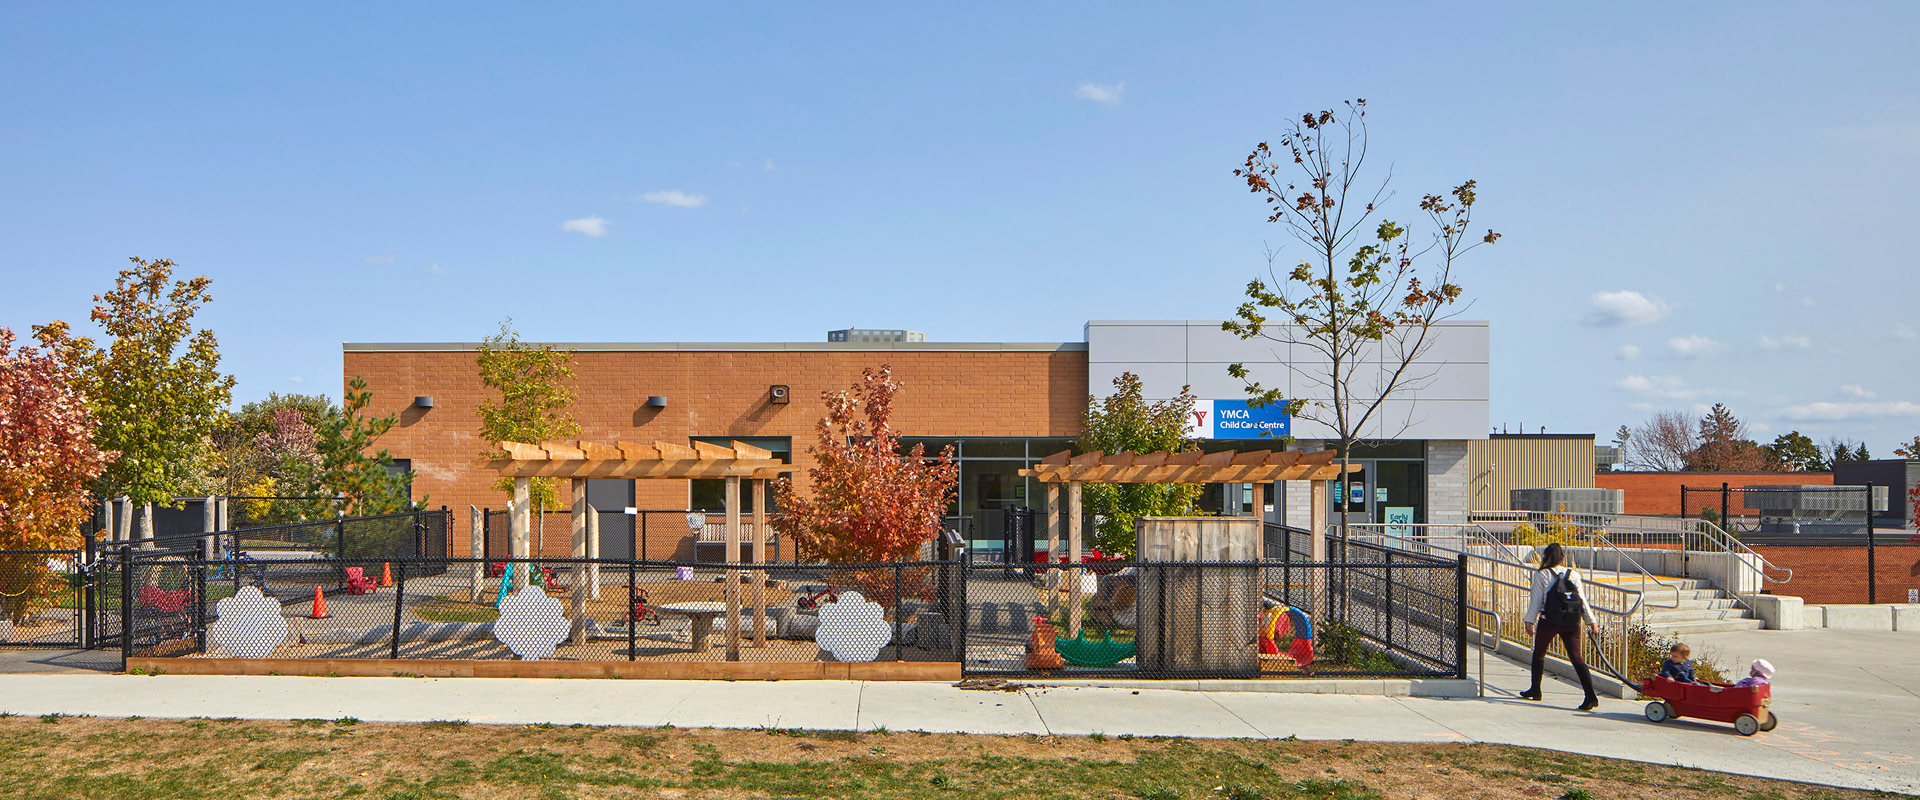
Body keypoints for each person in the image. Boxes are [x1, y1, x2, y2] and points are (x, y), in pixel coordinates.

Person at [1520, 542, 1601, 711]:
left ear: (1546, 557)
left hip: (1549, 621)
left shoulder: (1542, 574)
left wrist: (1529, 620)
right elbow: (1582, 600)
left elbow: (1536, 600)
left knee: (1539, 653)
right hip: (1572, 622)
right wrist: (1591, 621)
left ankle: (1536, 689)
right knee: (1577, 658)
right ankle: (1590, 696)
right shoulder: (1573, 574)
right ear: (1562, 557)